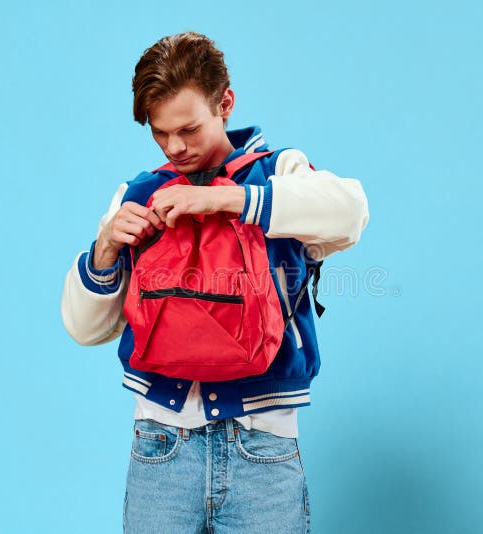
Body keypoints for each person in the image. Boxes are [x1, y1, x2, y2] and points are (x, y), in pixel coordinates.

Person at [61, 31, 369, 533]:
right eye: (160, 133)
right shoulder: (139, 193)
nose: (175, 147)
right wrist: (105, 250)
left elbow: (351, 212)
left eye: (189, 128)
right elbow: (84, 328)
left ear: (225, 103)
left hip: (262, 449)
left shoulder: (278, 173)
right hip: (161, 446)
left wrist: (230, 200)